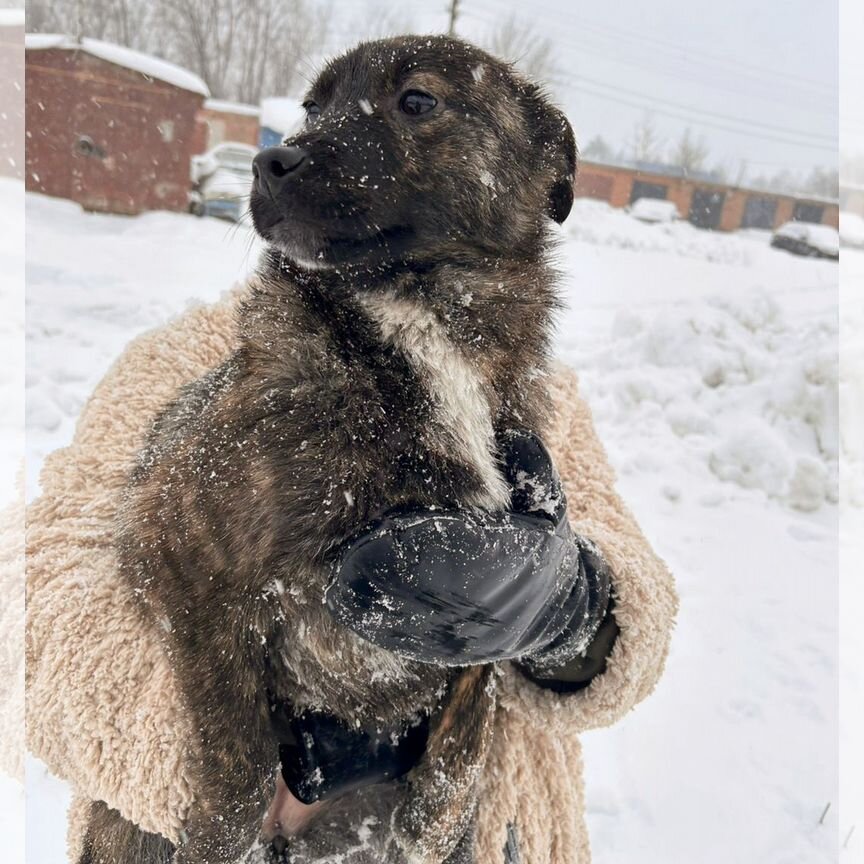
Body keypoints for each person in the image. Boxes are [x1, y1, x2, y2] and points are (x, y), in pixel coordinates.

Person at [26, 287, 677, 863]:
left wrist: (569, 610)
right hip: (188, 843)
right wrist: (231, 770)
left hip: (459, 827)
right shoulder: (182, 359)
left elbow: (634, 604)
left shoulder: (524, 384)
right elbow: (44, 588)